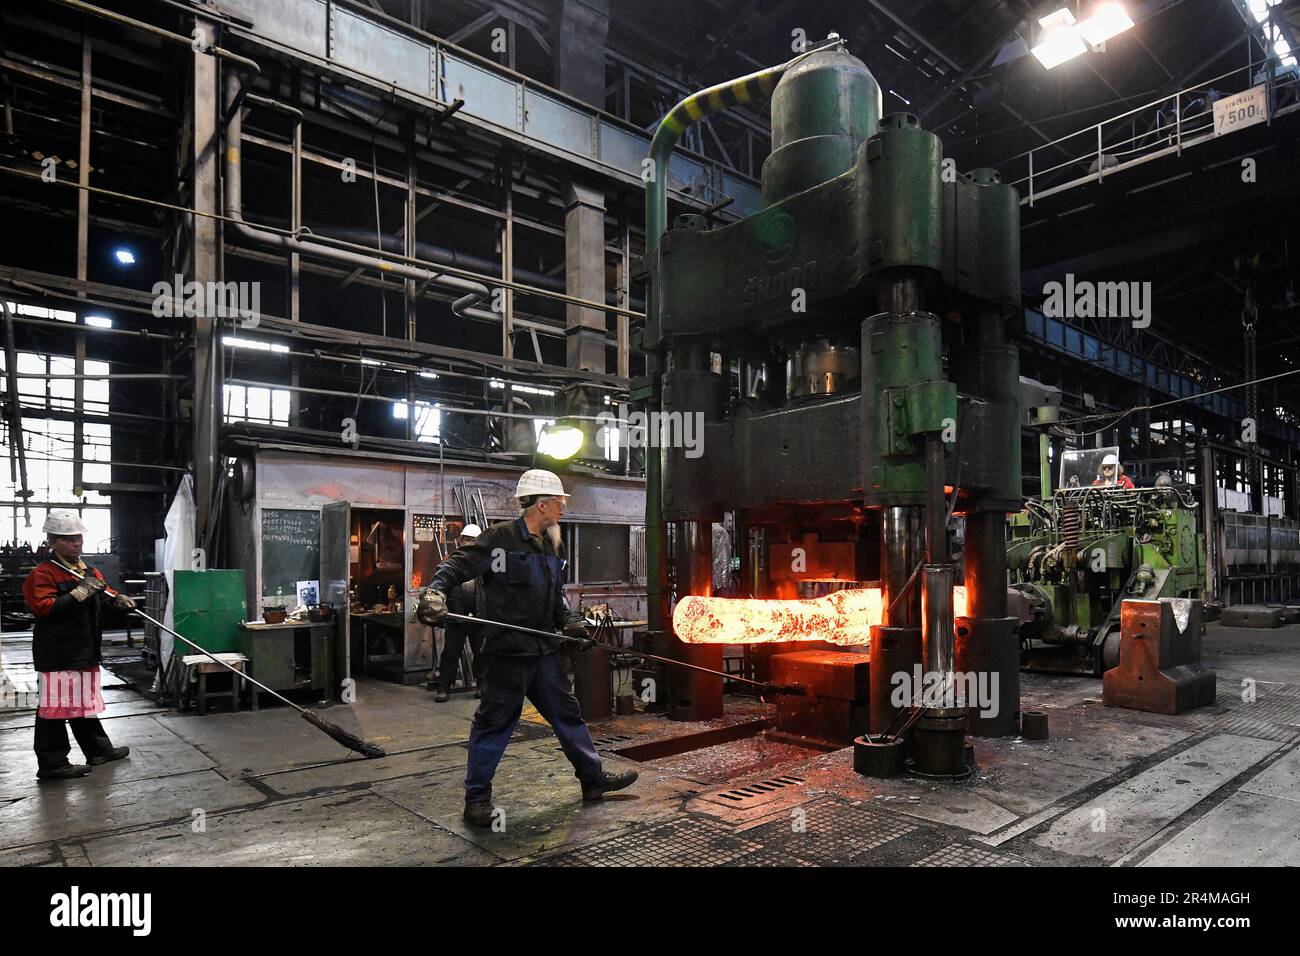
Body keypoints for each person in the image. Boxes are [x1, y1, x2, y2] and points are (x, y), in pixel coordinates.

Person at [416, 469, 637, 827]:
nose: (563, 509)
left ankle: (592, 780)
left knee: (568, 715)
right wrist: (434, 592)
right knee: (494, 724)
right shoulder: (500, 539)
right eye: (560, 503)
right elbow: (456, 565)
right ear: (543, 505)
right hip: (507, 655)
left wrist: (570, 622)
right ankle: (476, 801)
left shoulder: (550, 544)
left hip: (543, 652)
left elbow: (554, 598)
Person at [22, 510, 133, 781]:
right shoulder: (43, 574)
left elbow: (105, 591)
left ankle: (98, 750)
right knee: (54, 708)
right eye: (68, 539)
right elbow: (45, 609)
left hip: (84, 650)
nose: (76, 543)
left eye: (78, 538)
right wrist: (80, 592)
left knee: (81, 703)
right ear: (52, 542)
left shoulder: (86, 570)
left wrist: (118, 599)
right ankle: (52, 763)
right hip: (58, 652)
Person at [432, 524, 485, 703]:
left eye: (473, 540)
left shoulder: (484, 563)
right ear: (461, 541)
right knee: (450, 653)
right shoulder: (451, 563)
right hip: (456, 615)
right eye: (467, 540)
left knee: (481, 653)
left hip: (478, 616)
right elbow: (440, 583)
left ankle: (482, 686)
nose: (469, 543)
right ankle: (444, 688)